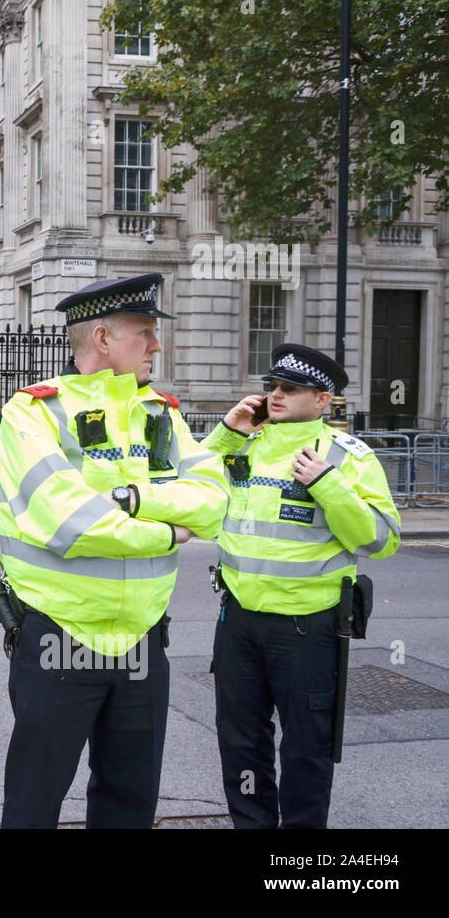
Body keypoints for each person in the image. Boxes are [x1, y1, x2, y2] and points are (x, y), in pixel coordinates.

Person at [0, 273, 228, 828]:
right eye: (145, 332)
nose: (156, 345)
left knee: (130, 802)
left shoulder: (160, 413)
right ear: (102, 338)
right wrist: (168, 531)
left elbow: (214, 502)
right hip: (59, 635)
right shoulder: (34, 412)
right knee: (34, 802)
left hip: (144, 640)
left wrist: (130, 497)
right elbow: (71, 522)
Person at [201, 343, 400, 828]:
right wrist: (225, 433)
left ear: (323, 399)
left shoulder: (346, 456)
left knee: (307, 747)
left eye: (290, 388)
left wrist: (328, 484)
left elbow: (381, 538)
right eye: (271, 386)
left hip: (307, 629)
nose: (276, 395)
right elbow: (188, 490)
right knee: (241, 742)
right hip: (239, 621)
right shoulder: (244, 444)